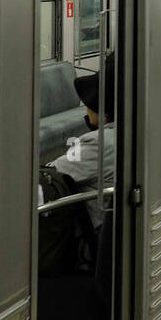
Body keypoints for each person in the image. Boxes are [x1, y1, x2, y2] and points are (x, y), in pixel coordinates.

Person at [47, 54, 115, 235]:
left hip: (95, 234)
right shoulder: (129, 132)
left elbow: (54, 174)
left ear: (103, 112)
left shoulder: (97, 143)